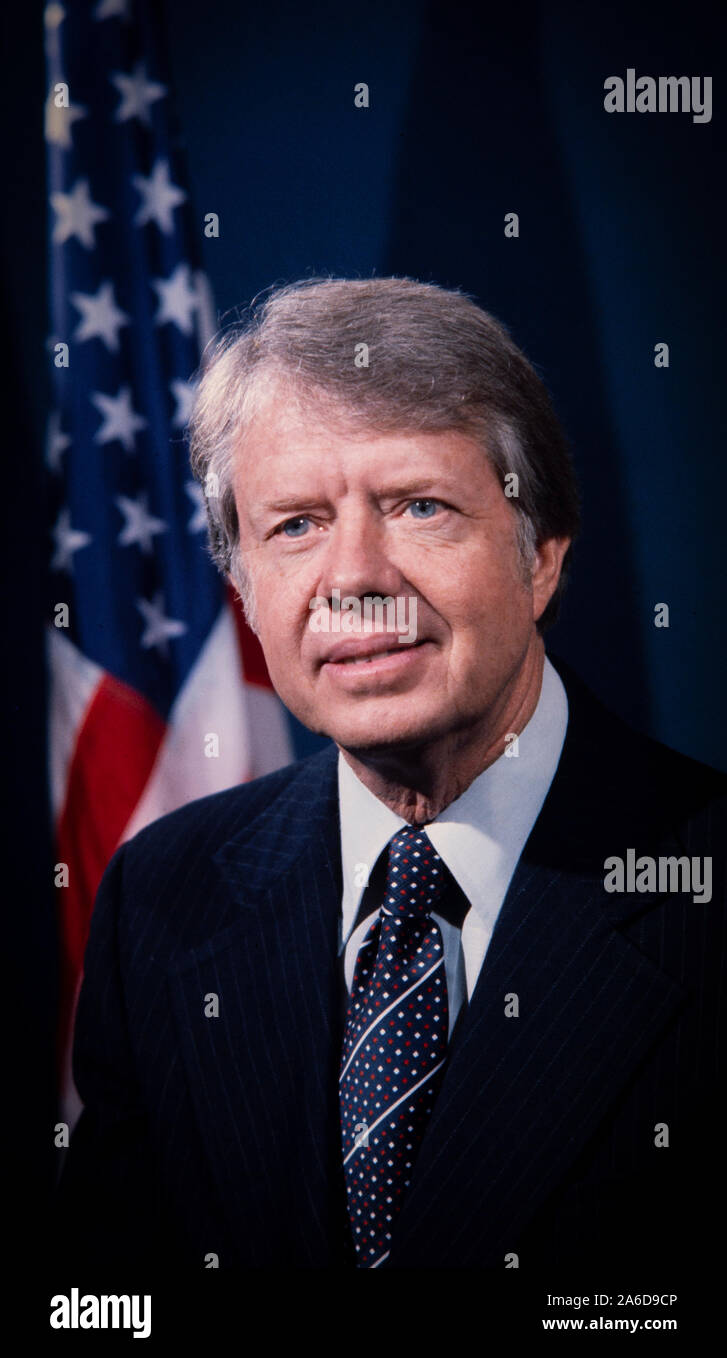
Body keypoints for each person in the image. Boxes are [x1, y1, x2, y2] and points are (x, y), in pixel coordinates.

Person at [54, 276, 725, 1274]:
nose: (355, 576)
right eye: (294, 525)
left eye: (418, 506)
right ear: (238, 584)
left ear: (537, 554)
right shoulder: (162, 897)